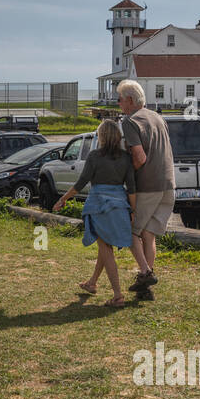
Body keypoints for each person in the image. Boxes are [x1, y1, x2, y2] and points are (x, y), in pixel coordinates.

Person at [52, 119, 137, 307]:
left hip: (99, 205)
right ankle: (92, 283)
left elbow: (81, 183)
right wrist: (132, 210)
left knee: (105, 249)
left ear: (102, 137)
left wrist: (63, 199)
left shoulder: (94, 156)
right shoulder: (125, 157)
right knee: (105, 247)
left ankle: (118, 296)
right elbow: (131, 187)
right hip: (120, 205)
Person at [117, 79, 174, 300]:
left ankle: (146, 273)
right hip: (169, 184)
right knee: (149, 234)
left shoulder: (131, 121)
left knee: (130, 231)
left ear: (130, 100)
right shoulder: (158, 118)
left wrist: (121, 174)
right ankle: (145, 285)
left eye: (120, 100)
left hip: (147, 186)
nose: (119, 105)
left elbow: (139, 158)